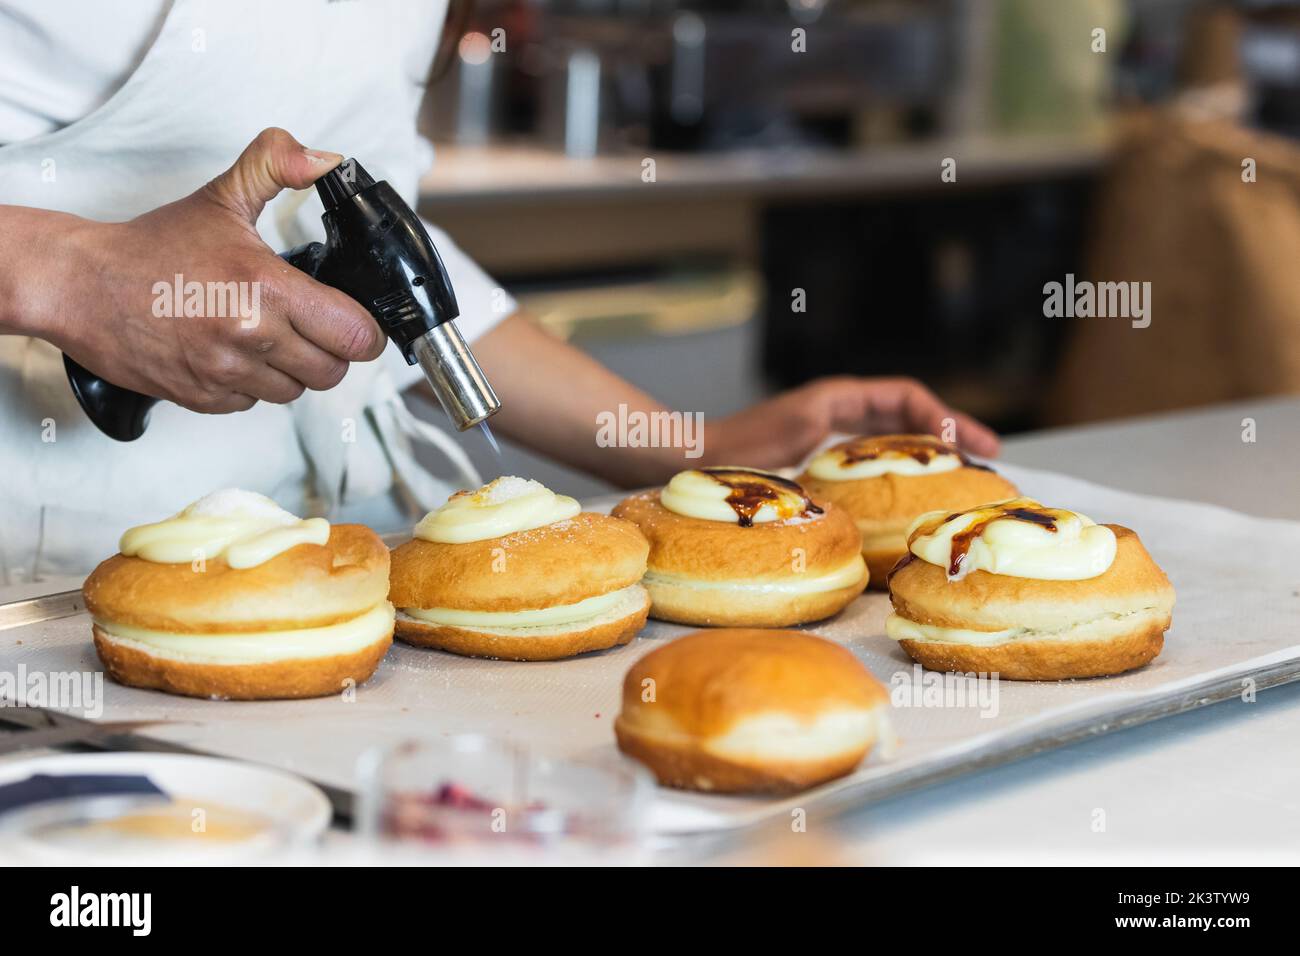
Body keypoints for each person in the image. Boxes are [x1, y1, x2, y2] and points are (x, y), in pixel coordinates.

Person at [0, 0, 997, 581]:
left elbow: (363, 230)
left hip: (314, 552)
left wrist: (689, 449)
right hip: (33, 575)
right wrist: (67, 272)